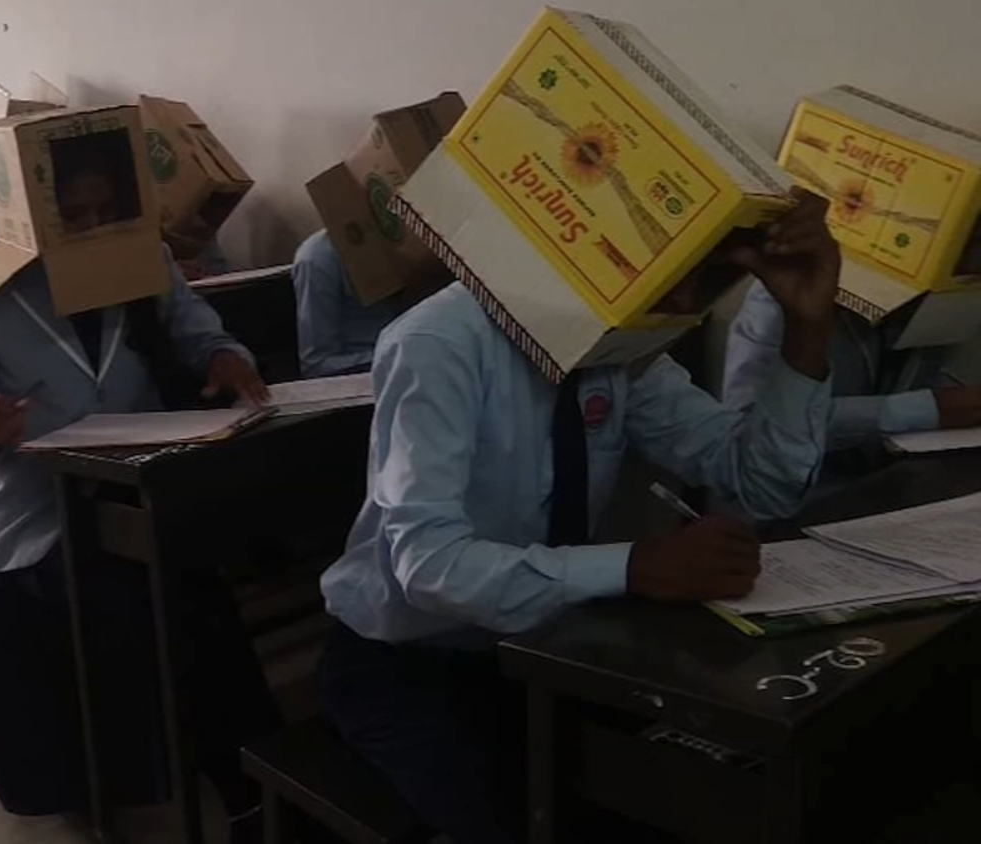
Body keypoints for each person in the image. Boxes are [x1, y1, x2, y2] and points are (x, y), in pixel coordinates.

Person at [317, 192, 841, 843]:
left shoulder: (619, 349)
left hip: (549, 649)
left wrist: (807, 327)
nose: (683, 304)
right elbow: (429, 566)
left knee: (682, 797)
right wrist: (637, 565)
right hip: (411, 659)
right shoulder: (439, 341)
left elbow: (760, 483)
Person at [0, 158, 281, 840]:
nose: (89, 231)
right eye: (70, 218)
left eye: (100, 214)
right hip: (42, 509)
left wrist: (225, 356)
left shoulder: (145, 261)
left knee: (192, 592)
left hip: (143, 483)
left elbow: (200, 330)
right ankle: (171, 779)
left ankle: (246, 785)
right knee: (141, 598)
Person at [725, 282, 981, 450]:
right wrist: (929, 408)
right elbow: (752, 427)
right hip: (792, 505)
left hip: (891, 490)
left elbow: (923, 385)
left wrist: (958, 405)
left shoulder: (950, 294)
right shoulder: (787, 291)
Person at [291, 229, 416, 377]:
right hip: (369, 374)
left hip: (416, 353)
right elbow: (317, 364)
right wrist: (394, 356)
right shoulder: (318, 259)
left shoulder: (406, 239)